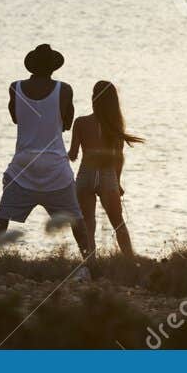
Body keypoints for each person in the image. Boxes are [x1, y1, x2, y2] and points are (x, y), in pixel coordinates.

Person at [0, 44, 89, 262]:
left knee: (2, 216)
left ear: (32, 66)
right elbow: (67, 124)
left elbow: (15, 118)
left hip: (23, 166)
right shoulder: (65, 89)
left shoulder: (15, 88)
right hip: (55, 166)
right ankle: (90, 260)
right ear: (53, 68)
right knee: (76, 219)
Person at [69, 80, 143, 260]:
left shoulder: (80, 122)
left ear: (93, 98)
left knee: (88, 224)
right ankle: (130, 261)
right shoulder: (115, 127)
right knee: (118, 224)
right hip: (107, 176)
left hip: (86, 175)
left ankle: (90, 263)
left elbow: (72, 155)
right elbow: (118, 158)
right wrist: (117, 182)